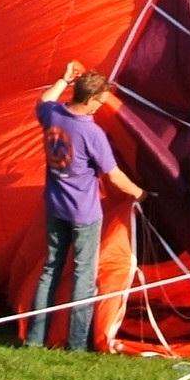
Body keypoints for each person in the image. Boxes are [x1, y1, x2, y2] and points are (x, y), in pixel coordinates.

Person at [26, 63, 143, 352]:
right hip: (84, 215)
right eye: (100, 102)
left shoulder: (53, 115)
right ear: (90, 99)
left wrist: (62, 80)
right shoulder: (92, 133)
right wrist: (139, 193)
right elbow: (114, 176)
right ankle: (77, 344)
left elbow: (44, 100)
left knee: (50, 270)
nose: (100, 107)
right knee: (84, 276)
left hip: (55, 207)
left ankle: (34, 339)